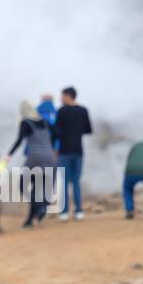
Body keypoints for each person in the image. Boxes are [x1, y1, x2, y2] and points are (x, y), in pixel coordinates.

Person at [9, 99, 57, 228]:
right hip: (50, 158)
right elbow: (57, 133)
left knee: (22, 185)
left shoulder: (26, 123)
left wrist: (9, 154)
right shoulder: (45, 122)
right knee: (37, 189)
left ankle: (41, 208)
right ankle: (30, 220)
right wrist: (50, 145)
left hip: (35, 158)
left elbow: (19, 140)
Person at [53, 86, 93, 221]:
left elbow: (56, 132)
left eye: (62, 96)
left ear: (68, 96)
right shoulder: (83, 110)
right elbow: (88, 130)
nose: (60, 99)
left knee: (64, 182)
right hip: (78, 151)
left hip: (64, 151)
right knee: (76, 181)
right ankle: (78, 211)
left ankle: (64, 213)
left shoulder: (61, 111)